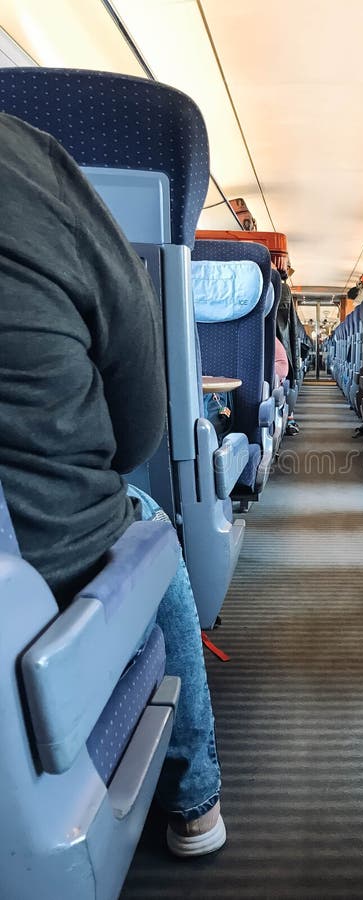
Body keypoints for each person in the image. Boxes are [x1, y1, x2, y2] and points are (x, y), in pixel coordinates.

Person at [0, 112, 224, 857]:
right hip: (43, 574)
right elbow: (138, 435)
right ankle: (195, 800)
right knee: (148, 510)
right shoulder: (26, 168)